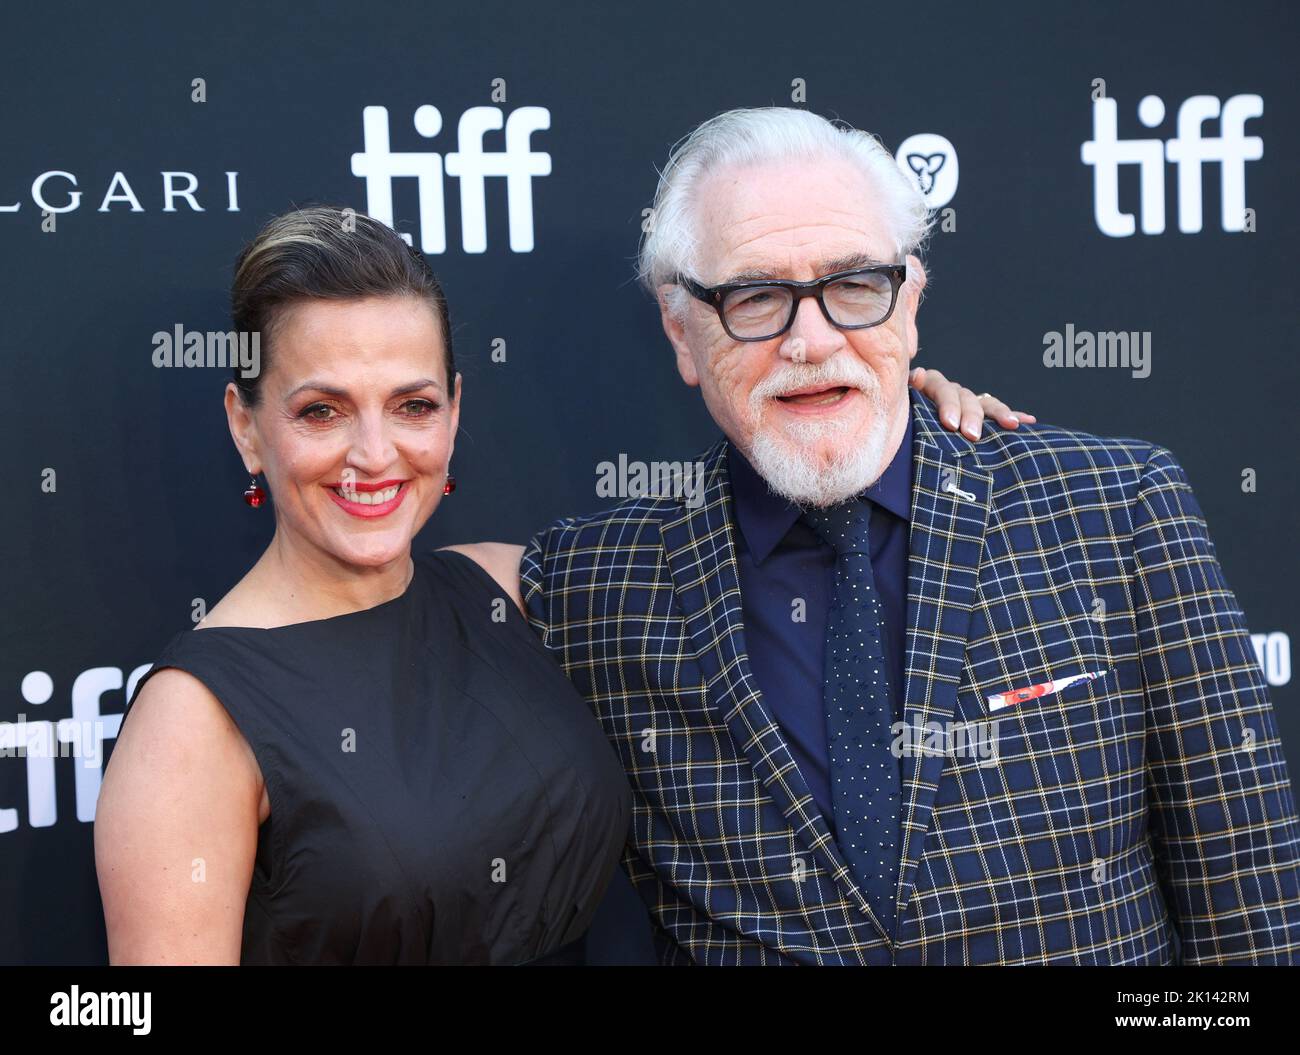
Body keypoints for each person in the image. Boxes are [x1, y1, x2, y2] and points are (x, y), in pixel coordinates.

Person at [94, 204, 1016, 965]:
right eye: (321, 410)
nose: (374, 455)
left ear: (455, 410)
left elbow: (778, 518)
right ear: (247, 426)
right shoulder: (192, 720)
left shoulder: (511, 590)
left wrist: (884, 406)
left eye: (412, 406)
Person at [511, 107, 1300, 964]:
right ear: (681, 331)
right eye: (756, 296)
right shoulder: (588, 588)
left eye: (854, 285)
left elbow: (1250, 909)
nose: (810, 341)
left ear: (909, 302)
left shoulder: (1116, 508)